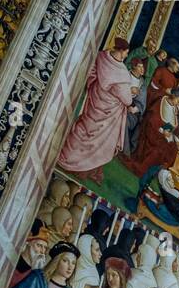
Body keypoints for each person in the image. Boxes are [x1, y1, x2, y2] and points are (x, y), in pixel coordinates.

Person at [57, 38, 141, 182]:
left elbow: (91, 74)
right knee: (101, 141)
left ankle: (71, 159)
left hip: (95, 101)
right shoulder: (121, 72)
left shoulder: (102, 56)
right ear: (121, 51)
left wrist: (96, 87)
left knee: (85, 129)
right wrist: (132, 93)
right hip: (109, 112)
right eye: (126, 53)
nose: (126, 56)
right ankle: (82, 168)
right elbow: (126, 99)